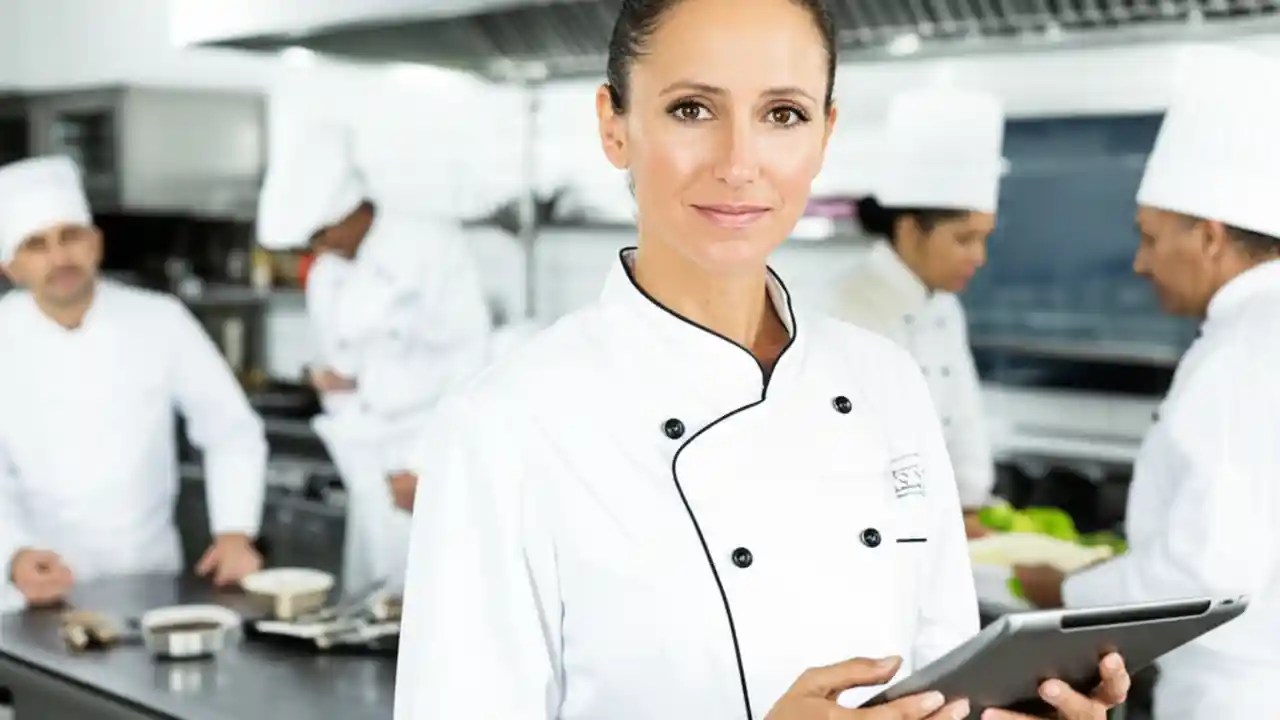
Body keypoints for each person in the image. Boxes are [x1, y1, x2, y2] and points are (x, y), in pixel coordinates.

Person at [393, 1, 1128, 718]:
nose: (740, 164)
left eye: (783, 114)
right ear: (613, 127)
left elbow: (945, 687)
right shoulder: (505, 428)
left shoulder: (885, 383)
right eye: (692, 109)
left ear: (823, 135)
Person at [1012, 46, 1280, 720]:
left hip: (1234, 695)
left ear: (1210, 238)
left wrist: (1068, 595)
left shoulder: (1243, 349)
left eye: (1151, 237)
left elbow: (1204, 571)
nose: (1138, 262)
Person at [0, 156, 268, 610]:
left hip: (148, 578)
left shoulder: (160, 319)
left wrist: (235, 532)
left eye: (70, 237)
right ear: (10, 267)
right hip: (32, 590)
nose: (60, 257)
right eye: (37, 245)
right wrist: (13, 553)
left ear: (96, 243)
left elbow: (230, 428)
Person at [256, 116, 492, 593]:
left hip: (428, 455)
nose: (319, 250)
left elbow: (475, 363)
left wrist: (429, 465)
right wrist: (342, 382)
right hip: (366, 461)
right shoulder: (327, 272)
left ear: (349, 212)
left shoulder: (431, 246)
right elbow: (350, 359)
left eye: (322, 237)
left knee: (441, 597)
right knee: (374, 598)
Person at [835, 88, 1003, 538]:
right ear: (910, 230)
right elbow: (866, 457)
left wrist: (970, 504)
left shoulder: (945, 306)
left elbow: (964, 419)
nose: (979, 257)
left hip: (945, 525)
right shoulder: (852, 312)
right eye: (965, 240)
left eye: (985, 239)